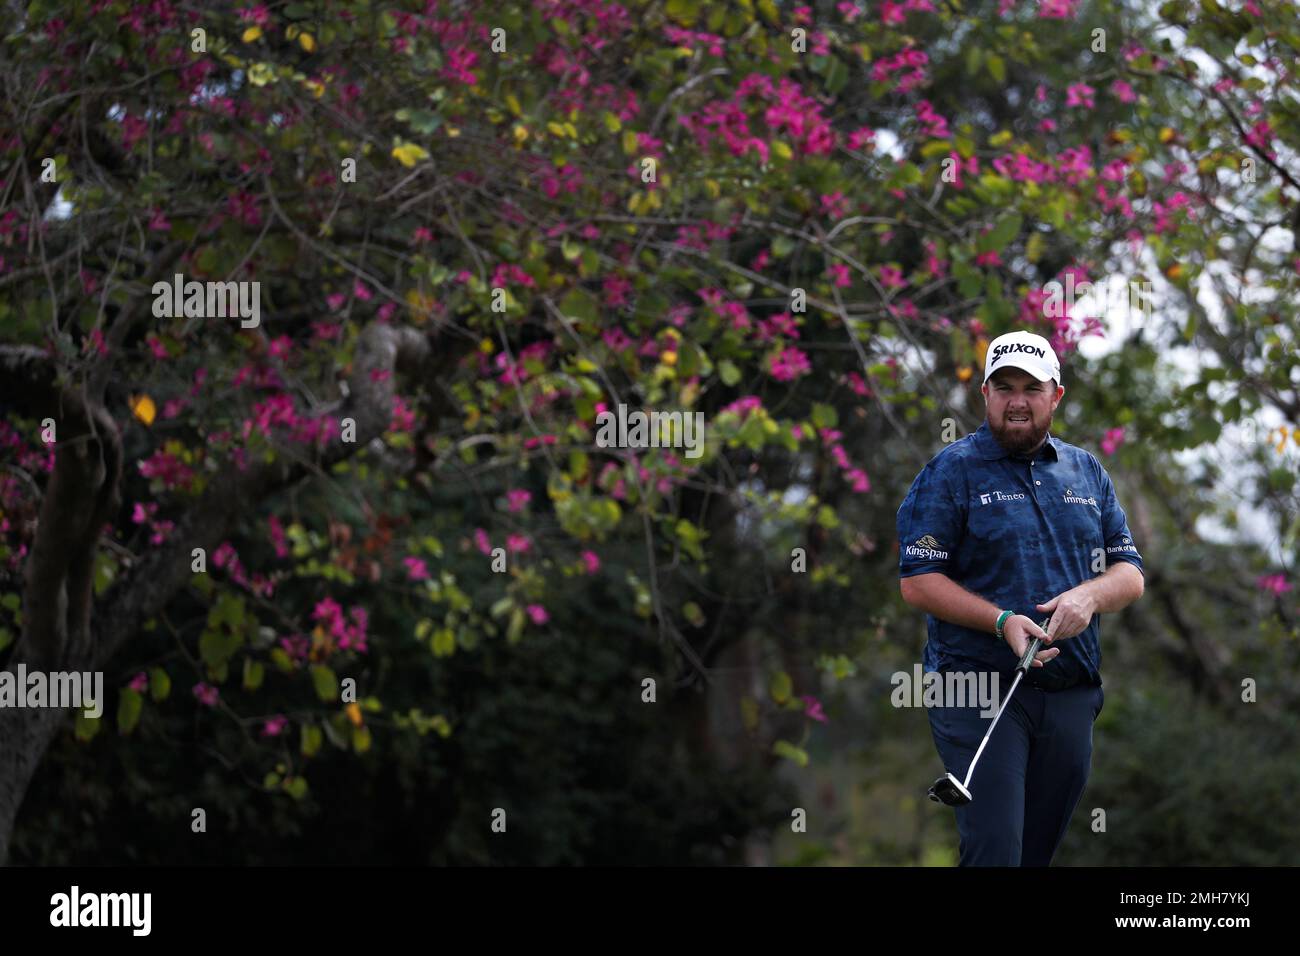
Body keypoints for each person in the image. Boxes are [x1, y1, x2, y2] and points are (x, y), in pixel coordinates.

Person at [896, 329, 1145, 866]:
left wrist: (1089, 597)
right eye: (1003, 387)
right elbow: (918, 580)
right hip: (976, 688)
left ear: (1056, 395)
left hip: (1069, 691)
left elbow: (1130, 573)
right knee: (996, 850)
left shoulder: (1086, 471)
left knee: (1033, 856)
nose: (1017, 401)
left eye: (1031, 388)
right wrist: (1001, 619)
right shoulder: (950, 472)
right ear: (984, 394)